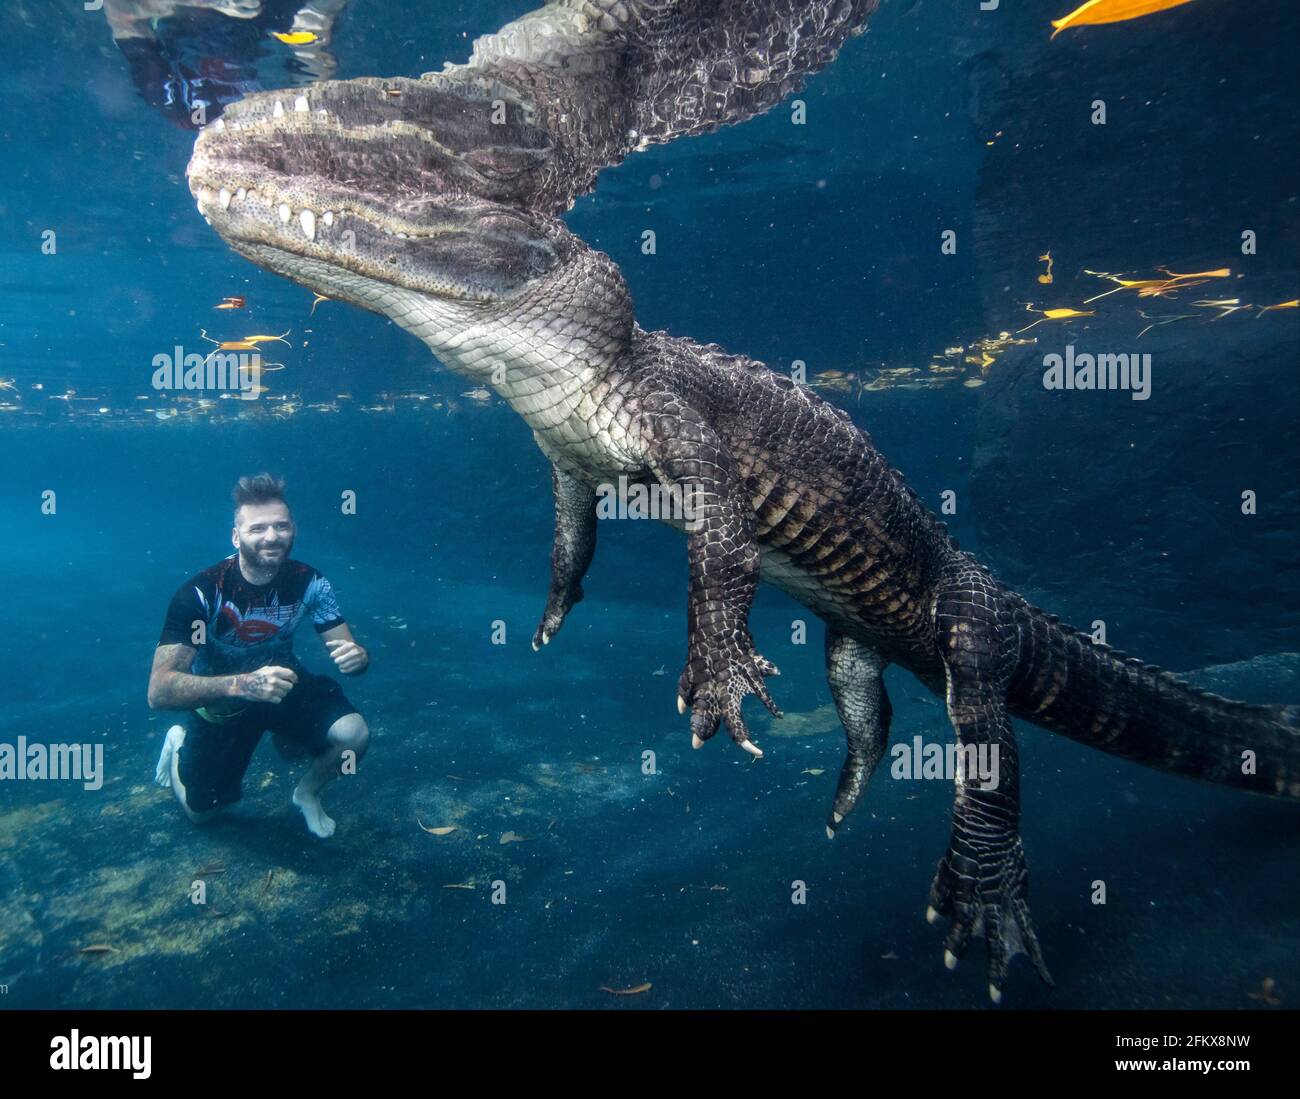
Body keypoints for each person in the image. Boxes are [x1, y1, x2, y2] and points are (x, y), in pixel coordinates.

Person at [148, 473, 369, 837]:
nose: (271, 537)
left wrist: (359, 660)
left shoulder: (310, 582)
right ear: (236, 536)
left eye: (281, 526)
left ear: (293, 529)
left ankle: (307, 793)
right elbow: (159, 691)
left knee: (353, 735)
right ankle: (177, 744)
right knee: (204, 813)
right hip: (223, 701)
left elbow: (350, 655)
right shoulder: (201, 593)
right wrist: (244, 684)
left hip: (284, 683)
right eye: (258, 528)